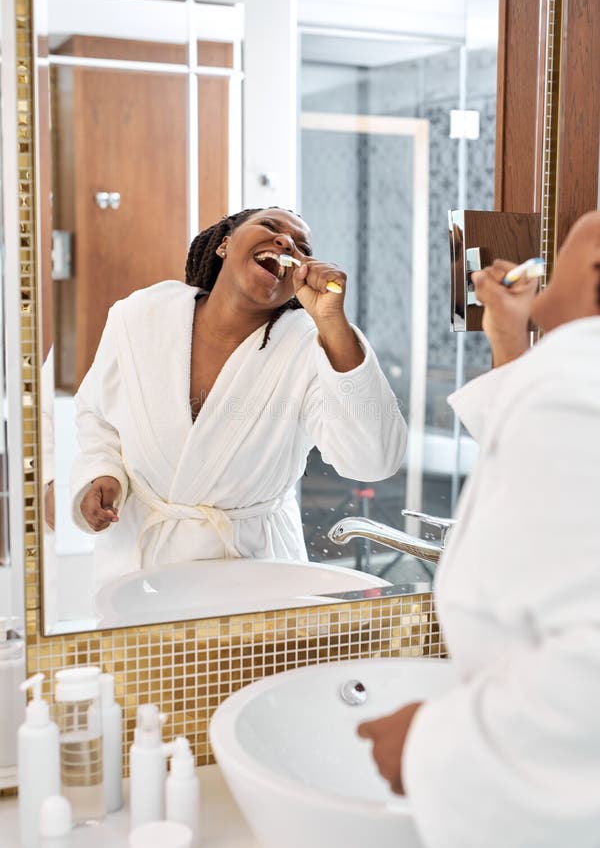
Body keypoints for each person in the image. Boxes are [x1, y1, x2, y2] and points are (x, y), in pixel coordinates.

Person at [358, 210, 600, 848]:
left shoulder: (574, 394)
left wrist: (433, 744)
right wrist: (509, 338)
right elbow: (552, 471)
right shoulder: (570, 389)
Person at [71, 207, 407, 590]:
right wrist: (103, 476)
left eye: (301, 246)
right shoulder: (140, 317)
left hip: (253, 571)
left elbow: (373, 460)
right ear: (225, 245)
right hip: (140, 564)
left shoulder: (309, 346)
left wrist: (332, 321)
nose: (286, 243)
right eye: (269, 227)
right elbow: (97, 415)